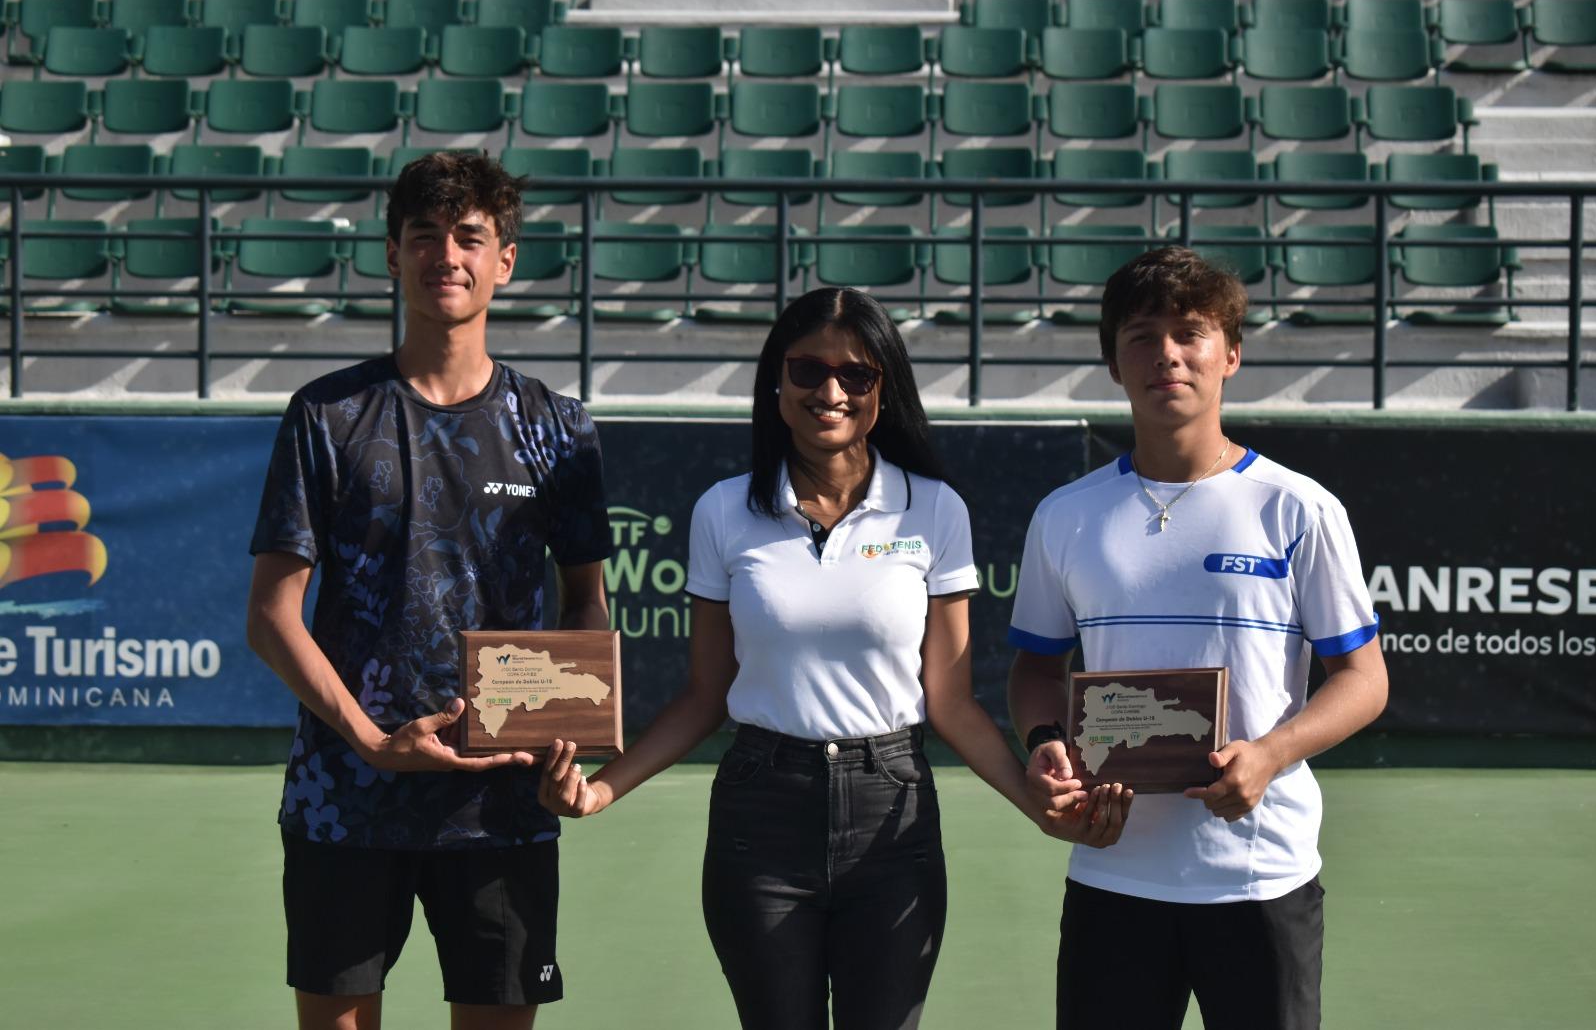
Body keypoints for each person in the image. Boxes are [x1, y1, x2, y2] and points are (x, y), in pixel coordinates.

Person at [539, 286, 1089, 1030]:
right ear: (776, 383)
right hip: (758, 815)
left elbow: (952, 702)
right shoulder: (723, 511)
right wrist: (602, 791)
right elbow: (706, 695)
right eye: (807, 372)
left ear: (882, 389)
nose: (830, 392)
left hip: (892, 814)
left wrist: (1040, 809)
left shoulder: (934, 510)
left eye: (855, 375)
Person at [245, 153, 611, 1030]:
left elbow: (585, 604)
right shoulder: (326, 416)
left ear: (505, 260)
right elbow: (271, 616)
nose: (446, 255)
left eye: (469, 237)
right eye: (425, 236)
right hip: (345, 802)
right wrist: (372, 740)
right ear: (392, 254)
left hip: (502, 811)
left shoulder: (560, 430)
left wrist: (573, 727)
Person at [1008, 246, 1390, 1030]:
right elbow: (1034, 669)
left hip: (1259, 877)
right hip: (1113, 873)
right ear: (1114, 364)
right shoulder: (1065, 514)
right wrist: (1044, 739)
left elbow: (1364, 677)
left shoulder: (1299, 508)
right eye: (1142, 337)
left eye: (1191, 332)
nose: (1168, 355)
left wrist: (1270, 754)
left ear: (1232, 354)